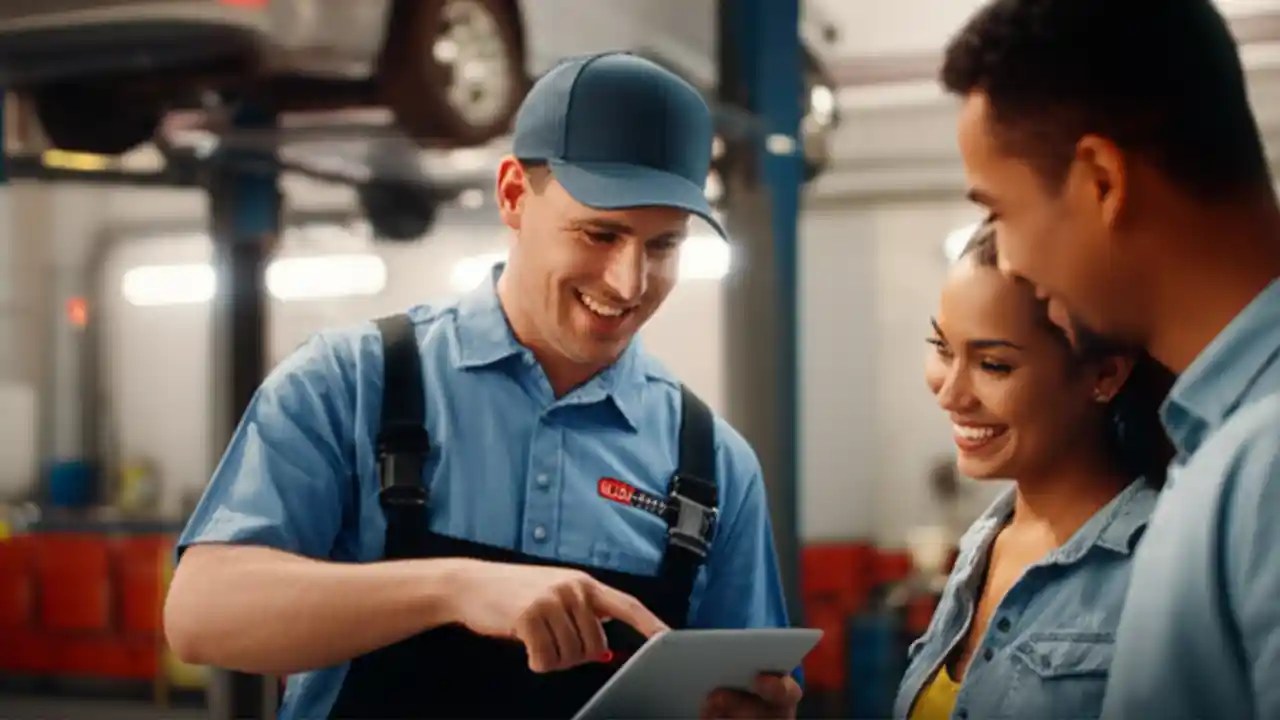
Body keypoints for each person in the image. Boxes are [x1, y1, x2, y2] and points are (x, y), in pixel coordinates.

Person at [162, 52, 801, 720]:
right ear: (513, 196)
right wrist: (454, 589)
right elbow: (204, 614)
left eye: (664, 246)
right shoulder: (350, 384)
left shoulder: (714, 466)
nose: (628, 283)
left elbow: (745, 687)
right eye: (599, 234)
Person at [940, 1, 1280, 717]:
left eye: (1000, 213)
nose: (1007, 259)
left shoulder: (1266, 461)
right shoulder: (1221, 443)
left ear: (1100, 179)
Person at [894, 225, 1173, 720]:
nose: (950, 394)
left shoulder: (1161, 565)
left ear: (1104, 375)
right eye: (942, 349)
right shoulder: (984, 546)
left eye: (994, 365)